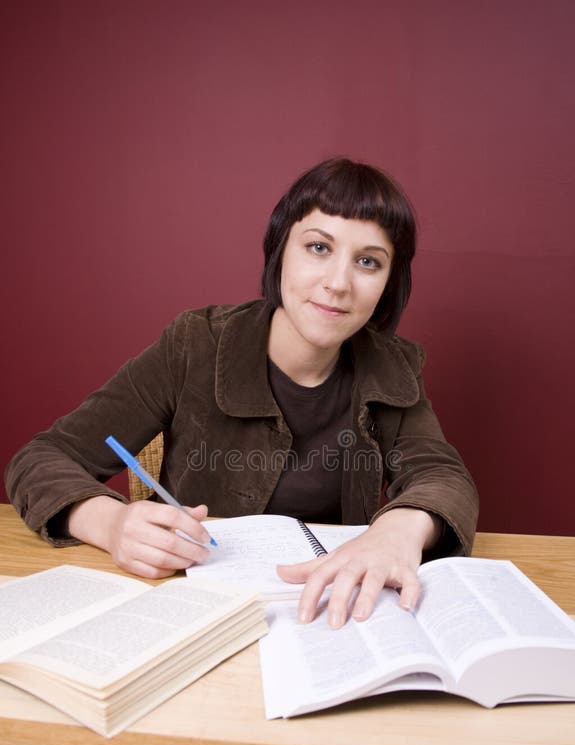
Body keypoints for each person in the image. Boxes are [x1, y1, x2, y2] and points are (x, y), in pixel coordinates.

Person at [5, 157, 478, 628]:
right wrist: (108, 523)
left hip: (324, 617)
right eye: (317, 247)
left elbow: (443, 476)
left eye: (368, 262)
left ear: (388, 284)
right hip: (191, 612)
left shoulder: (393, 367)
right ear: (279, 251)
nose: (337, 284)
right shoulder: (195, 345)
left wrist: (399, 529)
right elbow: (41, 459)